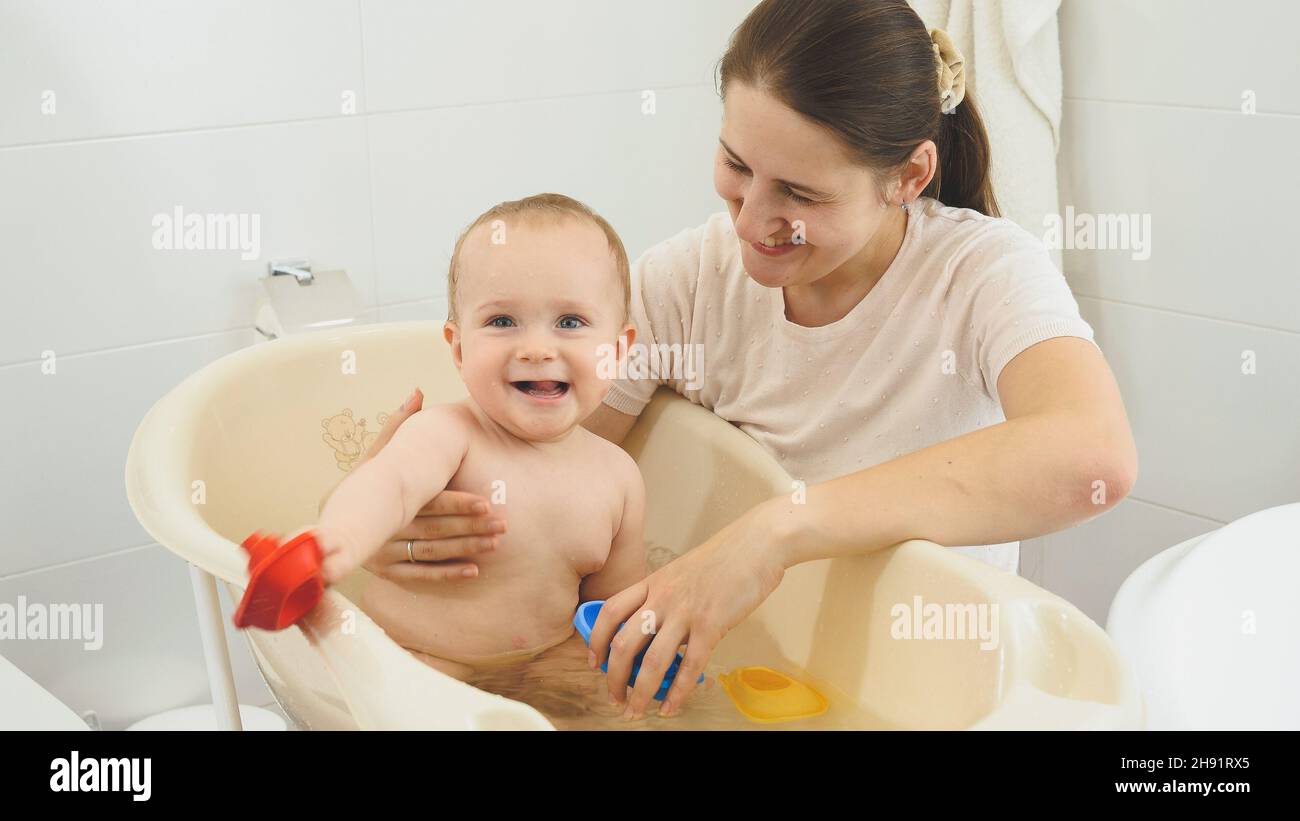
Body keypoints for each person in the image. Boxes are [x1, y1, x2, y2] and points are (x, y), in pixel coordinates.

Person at [358, 0, 1137, 720]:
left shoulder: (980, 275)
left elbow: (1091, 456)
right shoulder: (691, 280)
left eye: (800, 194)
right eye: (737, 166)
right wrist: (405, 511)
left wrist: (774, 533)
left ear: (908, 177)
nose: (755, 221)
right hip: (750, 672)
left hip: (921, 680)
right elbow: (547, 472)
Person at [307, 193, 646, 681]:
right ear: (460, 348)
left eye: (570, 322)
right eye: (502, 321)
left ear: (616, 350)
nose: (535, 348)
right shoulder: (448, 435)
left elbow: (609, 615)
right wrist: (338, 540)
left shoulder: (620, 479)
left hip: (542, 670)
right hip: (415, 663)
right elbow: (390, 484)